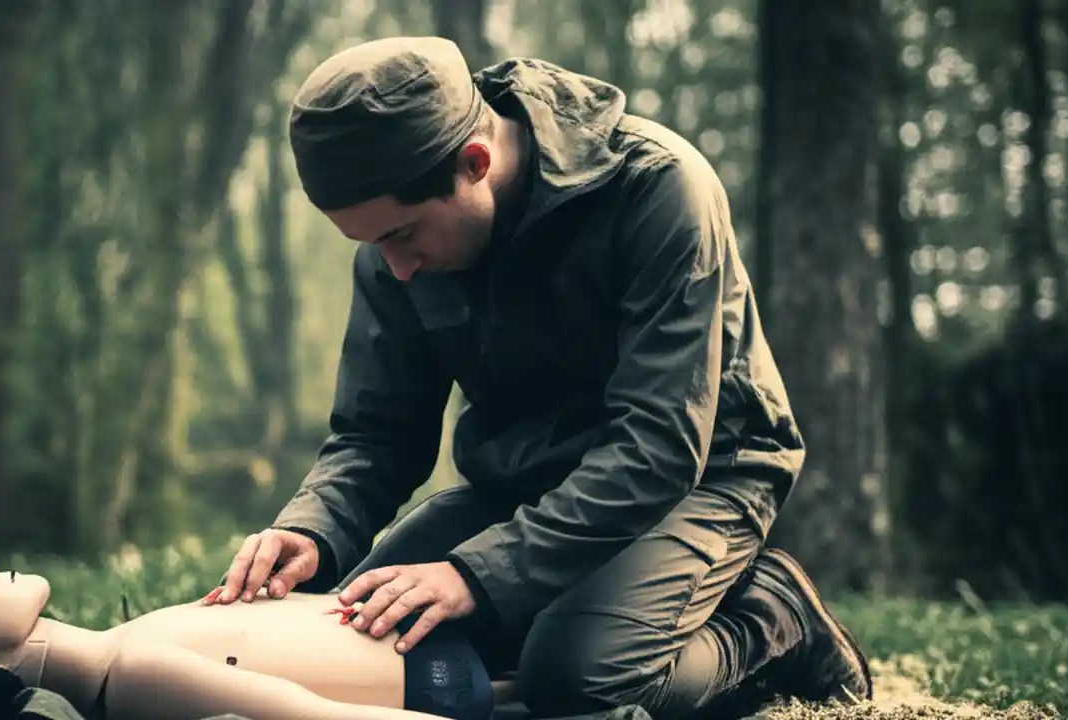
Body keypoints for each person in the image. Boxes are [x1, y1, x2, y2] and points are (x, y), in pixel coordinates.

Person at [210, 36, 873, 718]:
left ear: (475, 161)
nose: (396, 268)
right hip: (531, 481)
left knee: (578, 678)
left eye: (403, 236)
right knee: (355, 633)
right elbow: (379, 434)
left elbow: (659, 446)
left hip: (704, 473)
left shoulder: (659, 187)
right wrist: (313, 531)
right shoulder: (396, 248)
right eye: (373, 244)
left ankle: (772, 619)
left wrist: (478, 574)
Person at [0, 560, 499, 720]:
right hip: (434, 679)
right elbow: (302, 712)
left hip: (425, 637)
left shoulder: (122, 649)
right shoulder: (131, 674)